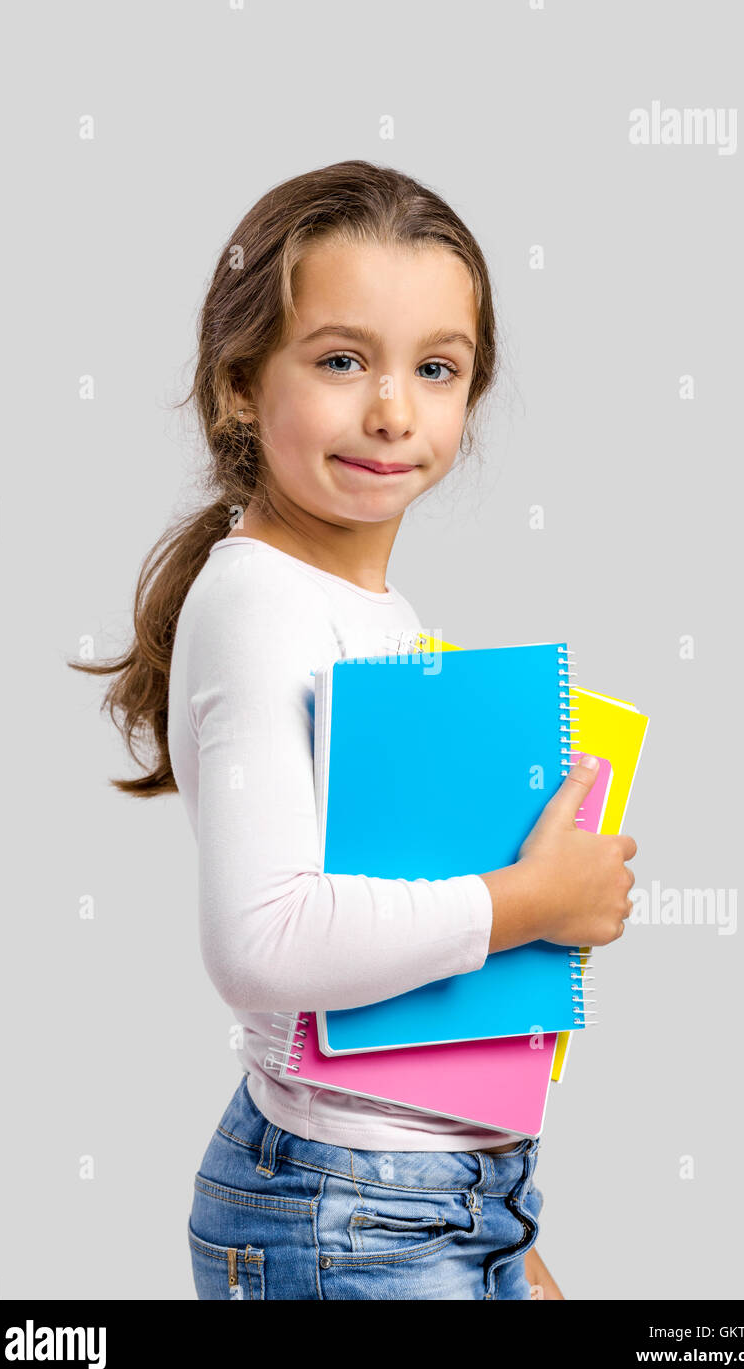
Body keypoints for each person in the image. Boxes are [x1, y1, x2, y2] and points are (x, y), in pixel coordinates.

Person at [70, 159, 637, 1300]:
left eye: (435, 368)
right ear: (238, 385)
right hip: (348, 1210)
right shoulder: (259, 602)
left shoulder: (373, 616)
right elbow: (262, 943)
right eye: (341, 361)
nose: (391, 409)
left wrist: (505, 1235)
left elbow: (406, 993)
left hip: (433, 1201)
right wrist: (529, 901)